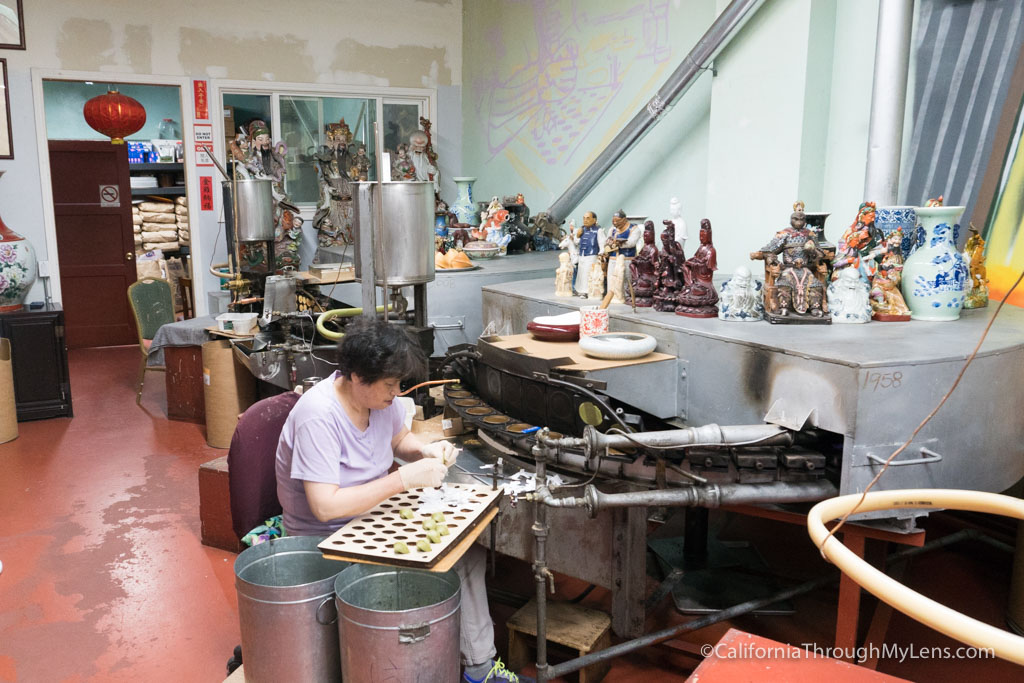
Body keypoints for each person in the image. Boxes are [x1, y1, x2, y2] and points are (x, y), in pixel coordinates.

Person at [276, 320, 533, 683]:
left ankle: (477, 664)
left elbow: (398, 441)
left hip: (369, 517)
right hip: (327, 540)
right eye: (390, 384)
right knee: (447, 563)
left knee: (465, 551)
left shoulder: (382, 401)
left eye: (399, 384)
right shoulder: (318, 417)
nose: (397, 393)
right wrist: (401, 480)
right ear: (356, 376)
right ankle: (475, 669)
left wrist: (424, 451)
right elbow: (325, 506)